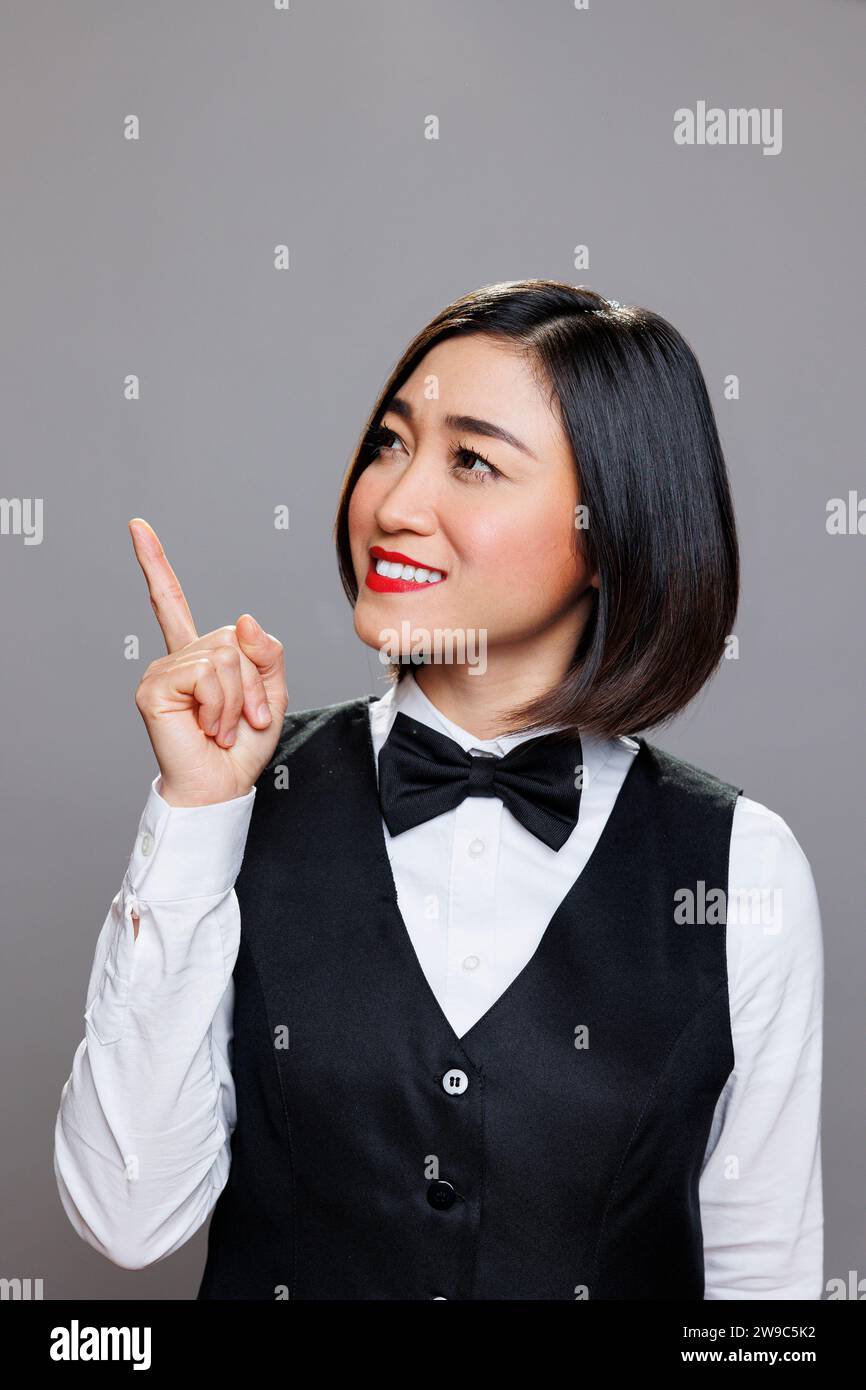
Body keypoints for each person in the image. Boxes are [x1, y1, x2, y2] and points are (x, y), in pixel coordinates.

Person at [53, 279, 823, 1300]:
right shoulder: (236, 805)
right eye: (388, 443)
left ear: (612, 528)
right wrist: (194, 815)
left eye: (471, 460)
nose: (394, 503)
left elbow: (758, 1288)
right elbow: (126, 1216)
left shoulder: (740, 864)